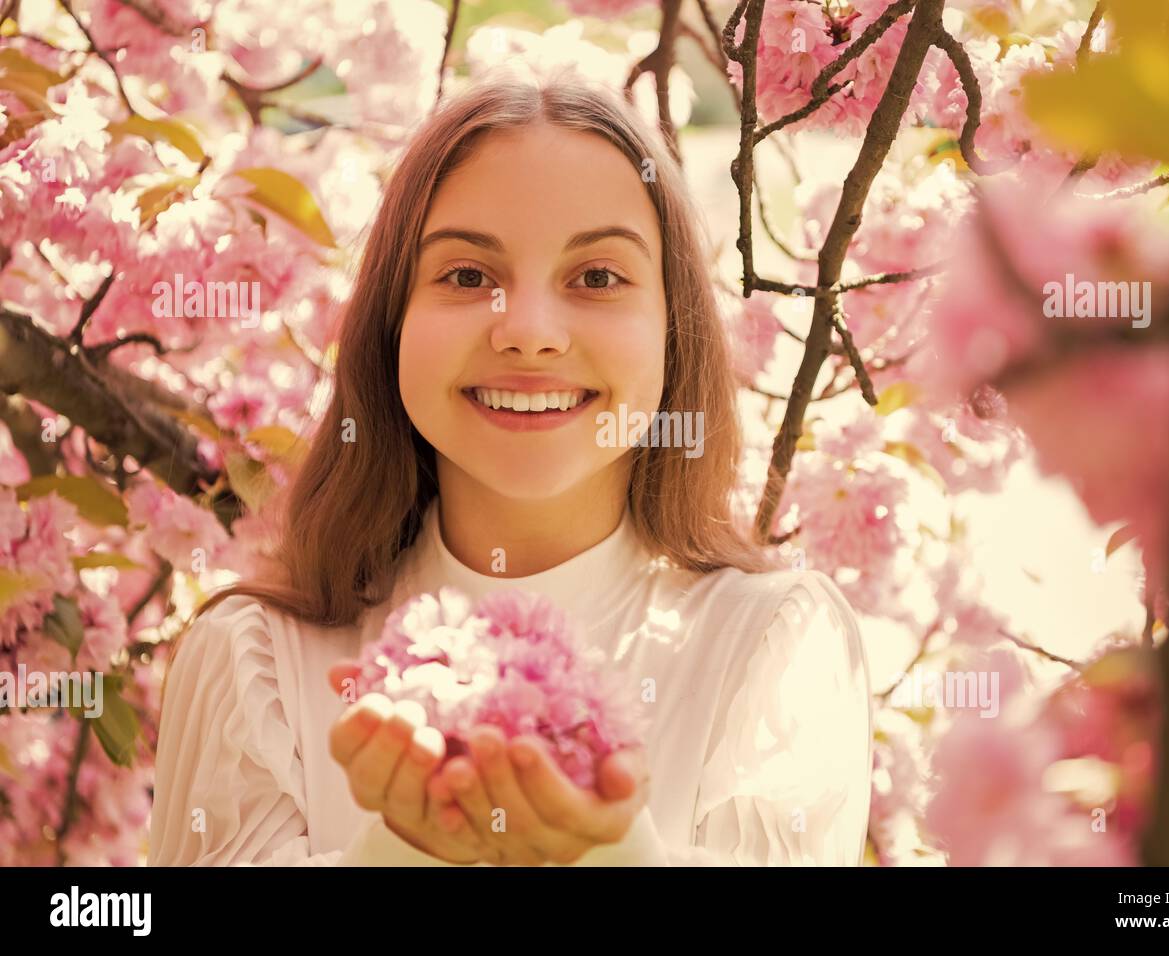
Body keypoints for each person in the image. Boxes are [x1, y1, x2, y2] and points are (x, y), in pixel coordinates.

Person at [147, 70, 873, 866]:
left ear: (675, 328)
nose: (527, 332)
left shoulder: (773, 650)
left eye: (597, 277)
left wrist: (617, 857)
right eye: (467, 276)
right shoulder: (256, 667)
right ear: (392, 322)